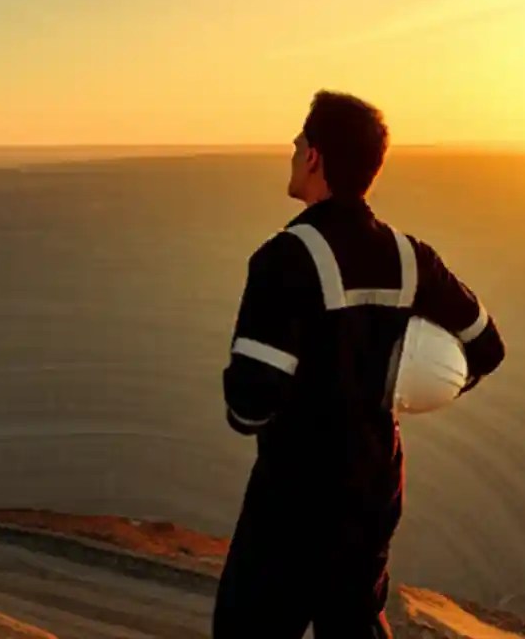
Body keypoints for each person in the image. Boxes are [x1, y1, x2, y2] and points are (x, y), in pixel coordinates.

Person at [213, 91, 506, 638]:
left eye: (300, 140)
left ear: (316, 156)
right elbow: (487, 348)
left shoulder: (284, 260)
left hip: (293, 497)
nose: (293, 148)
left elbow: (248, 406)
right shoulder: (411, 258)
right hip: (373, 491)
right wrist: (410, 384)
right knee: (353, 626)